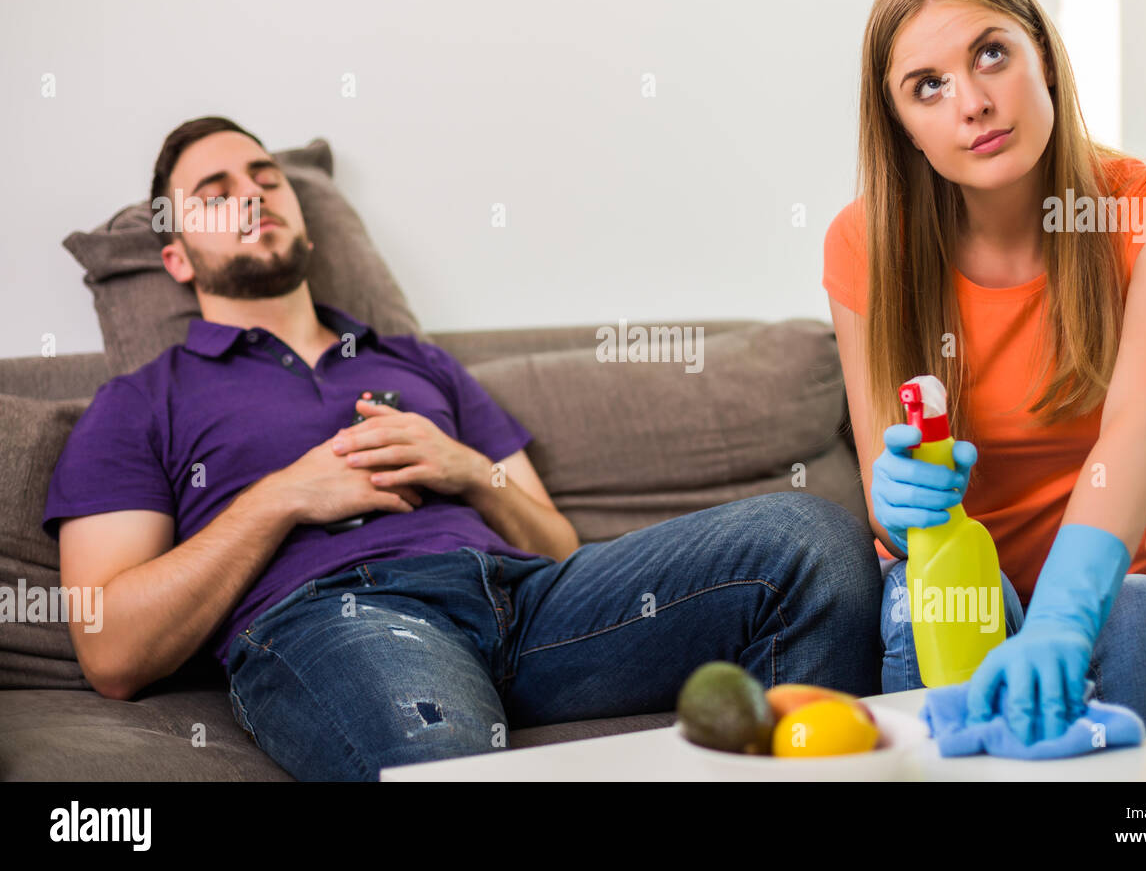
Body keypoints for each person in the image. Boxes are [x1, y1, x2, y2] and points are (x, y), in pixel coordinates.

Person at [42, 116, 882, 780]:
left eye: (267, 177)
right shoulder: (140, 401)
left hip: (532, 604)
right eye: (216, 189)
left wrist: (467, 469)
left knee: (811, 542)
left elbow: (555, 545)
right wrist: (282, 496)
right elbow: (112, 651)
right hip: (343, 616)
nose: (255, 193)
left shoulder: (419, 364)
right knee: (441, 760)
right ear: (176, 254)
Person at [823, 0, 1146, 750]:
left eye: (990, 53)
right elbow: (880, 497)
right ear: (902, 124)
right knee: (925, 600)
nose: (971, 103)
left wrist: (1063, 623)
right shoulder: (865, 242)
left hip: (1108, 590)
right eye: (926, 86)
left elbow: (1142, 430)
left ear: (1043, 53)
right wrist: (893, 501)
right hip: (953, 581)